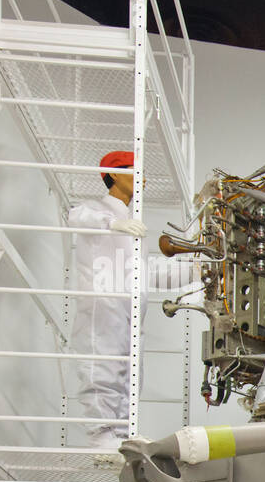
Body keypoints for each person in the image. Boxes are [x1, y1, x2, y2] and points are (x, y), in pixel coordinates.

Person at [68, 151, 195, 450]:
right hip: (104, 303)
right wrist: (111, 223)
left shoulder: (132, 222)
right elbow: (75, 216)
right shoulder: (97, 211)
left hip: (129, 311)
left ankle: (122, 434)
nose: (144, 179)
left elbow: (147, 272)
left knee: (129, 371)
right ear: (112, 175)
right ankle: (101, 436)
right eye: (135, 172)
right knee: (103, 366)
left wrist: (196, 270)